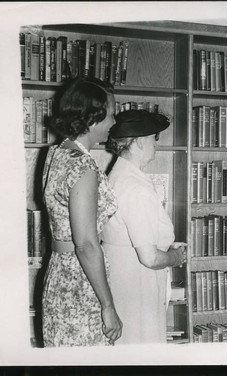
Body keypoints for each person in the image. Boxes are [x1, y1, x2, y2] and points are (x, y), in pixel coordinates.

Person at [42, 77, 122, 346]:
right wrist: (108, 307)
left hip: (59, 276)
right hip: (80, 283)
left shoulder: (56, 153)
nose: (113, 122)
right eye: (110, 115)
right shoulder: (83, 166)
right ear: (92, 119)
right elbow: (86, 244)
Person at [102, 109, 187, 344]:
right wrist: (176, 256)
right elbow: (149, 258)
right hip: (136, 283)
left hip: (122, 277)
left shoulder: (118, 176)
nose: (156, 145)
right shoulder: (135, 187)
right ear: (139, 143)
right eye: (153, 139)